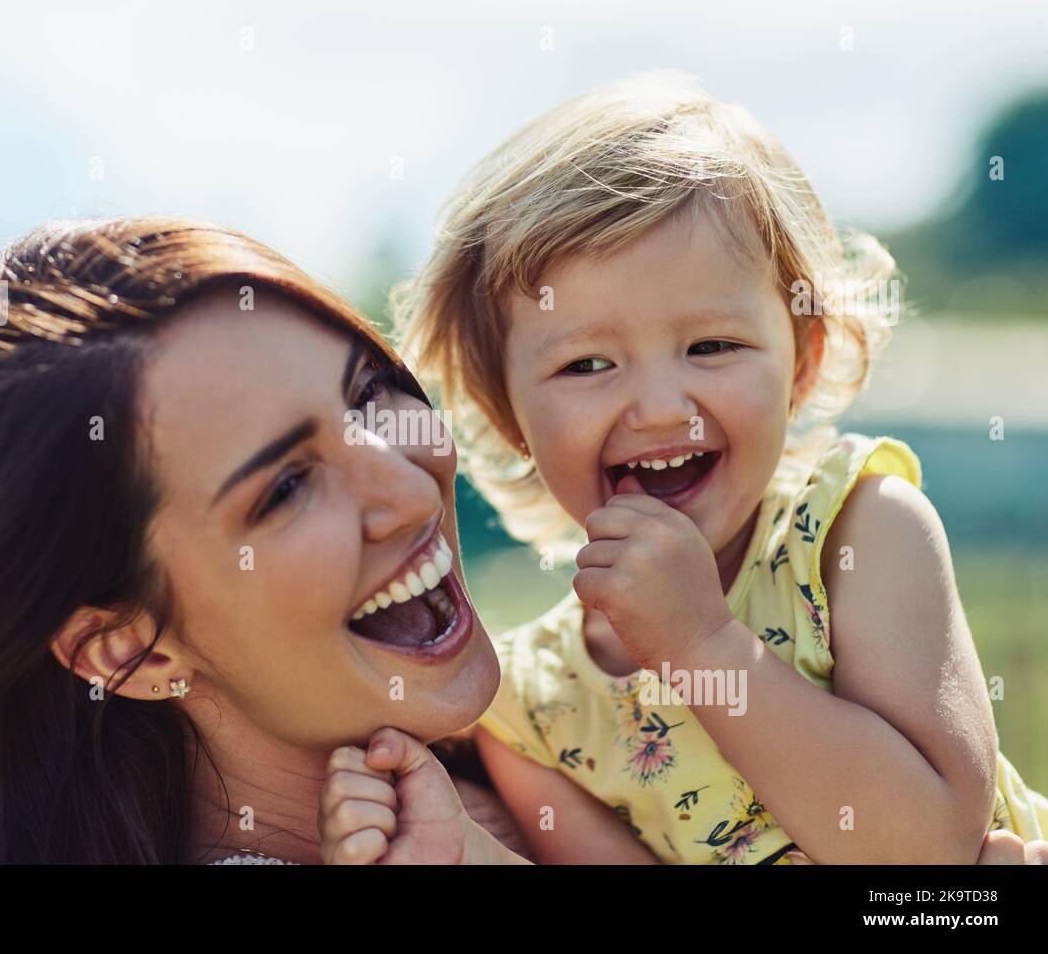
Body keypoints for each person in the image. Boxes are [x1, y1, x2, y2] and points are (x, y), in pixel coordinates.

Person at [382, 72, 1048, 864]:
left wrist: (699, 642)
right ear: (508, 417)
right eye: (588, 364)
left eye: (711, 347)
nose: (662, 407)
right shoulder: (533, 711)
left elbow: (932, 856)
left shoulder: (857, 535)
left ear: (803, 360)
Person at [0, 217, 503, 864]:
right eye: (285, 488)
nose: (410, 492)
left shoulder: (550, 745)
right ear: (129, 650)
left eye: (370, 393)